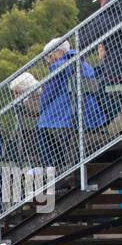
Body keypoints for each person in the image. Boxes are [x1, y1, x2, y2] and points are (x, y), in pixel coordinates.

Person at [37, 37, 107, 172]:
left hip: (68, 113)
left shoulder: (59, 66)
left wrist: (42, 107)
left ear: (58, 53)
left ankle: (51, 167)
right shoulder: (85, 64)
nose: (49, 61)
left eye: (49, 57)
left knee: (42, 125)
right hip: (90, 113)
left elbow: (49, 93)